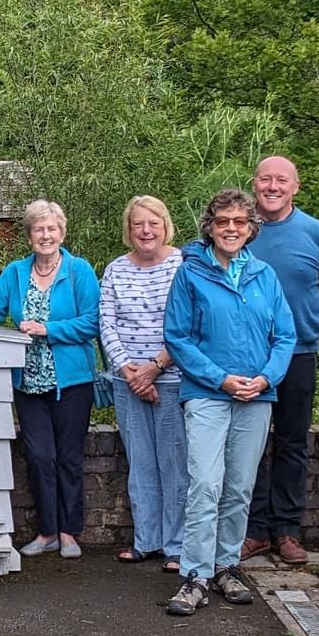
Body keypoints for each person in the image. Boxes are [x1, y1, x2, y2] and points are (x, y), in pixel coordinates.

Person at [162, 188, 295, 618]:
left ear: (251, 227)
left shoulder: (265, 275)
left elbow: (285, 337)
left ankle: (226, 566)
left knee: (238, 487)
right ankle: (195, 575)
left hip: (257, 396)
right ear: (210, 227)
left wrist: (265, 378)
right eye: (224, 222)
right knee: (205, 484)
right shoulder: (191, 273)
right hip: (207, 395)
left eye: (240, 222)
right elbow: (177, 336)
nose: (232, 229)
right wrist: (220, 378)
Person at [0, 199, 102, 560]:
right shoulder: (15, 272)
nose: (46, 235)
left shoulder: (78, 271)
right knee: (39, 456)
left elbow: (93, 321)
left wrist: (48, 329)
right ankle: (45, 532)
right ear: (29, 235)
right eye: (39, 229)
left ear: (63, 232)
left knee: (69, 457)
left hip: (71, 381)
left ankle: (69, 532)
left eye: (52, 229)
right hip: (27, 380)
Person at [239, 155, 319, 567]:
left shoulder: (317, 234)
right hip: (248, 356)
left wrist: (300, 323)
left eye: (281, 180)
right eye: (265, 179)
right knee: (250, 444)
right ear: (254, 184)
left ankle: (287, 531)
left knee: (292, 443)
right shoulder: (240, 230)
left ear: (295, 186)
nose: (272, 186)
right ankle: (255, 531)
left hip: (298, 354)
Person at [99, 197, 185, 568]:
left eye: (153, 223)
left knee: (175, 465)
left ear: (165, 225)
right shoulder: (115, 270)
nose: (146, 230)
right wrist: (129, 371)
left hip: (174, 378)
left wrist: (155, 367)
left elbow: (189, 323)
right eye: (138, 224)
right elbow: (107, 323)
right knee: (141, 464)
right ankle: (145, 540)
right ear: (128, 230)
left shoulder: (184, 265)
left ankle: (177, 545)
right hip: (127, 380)